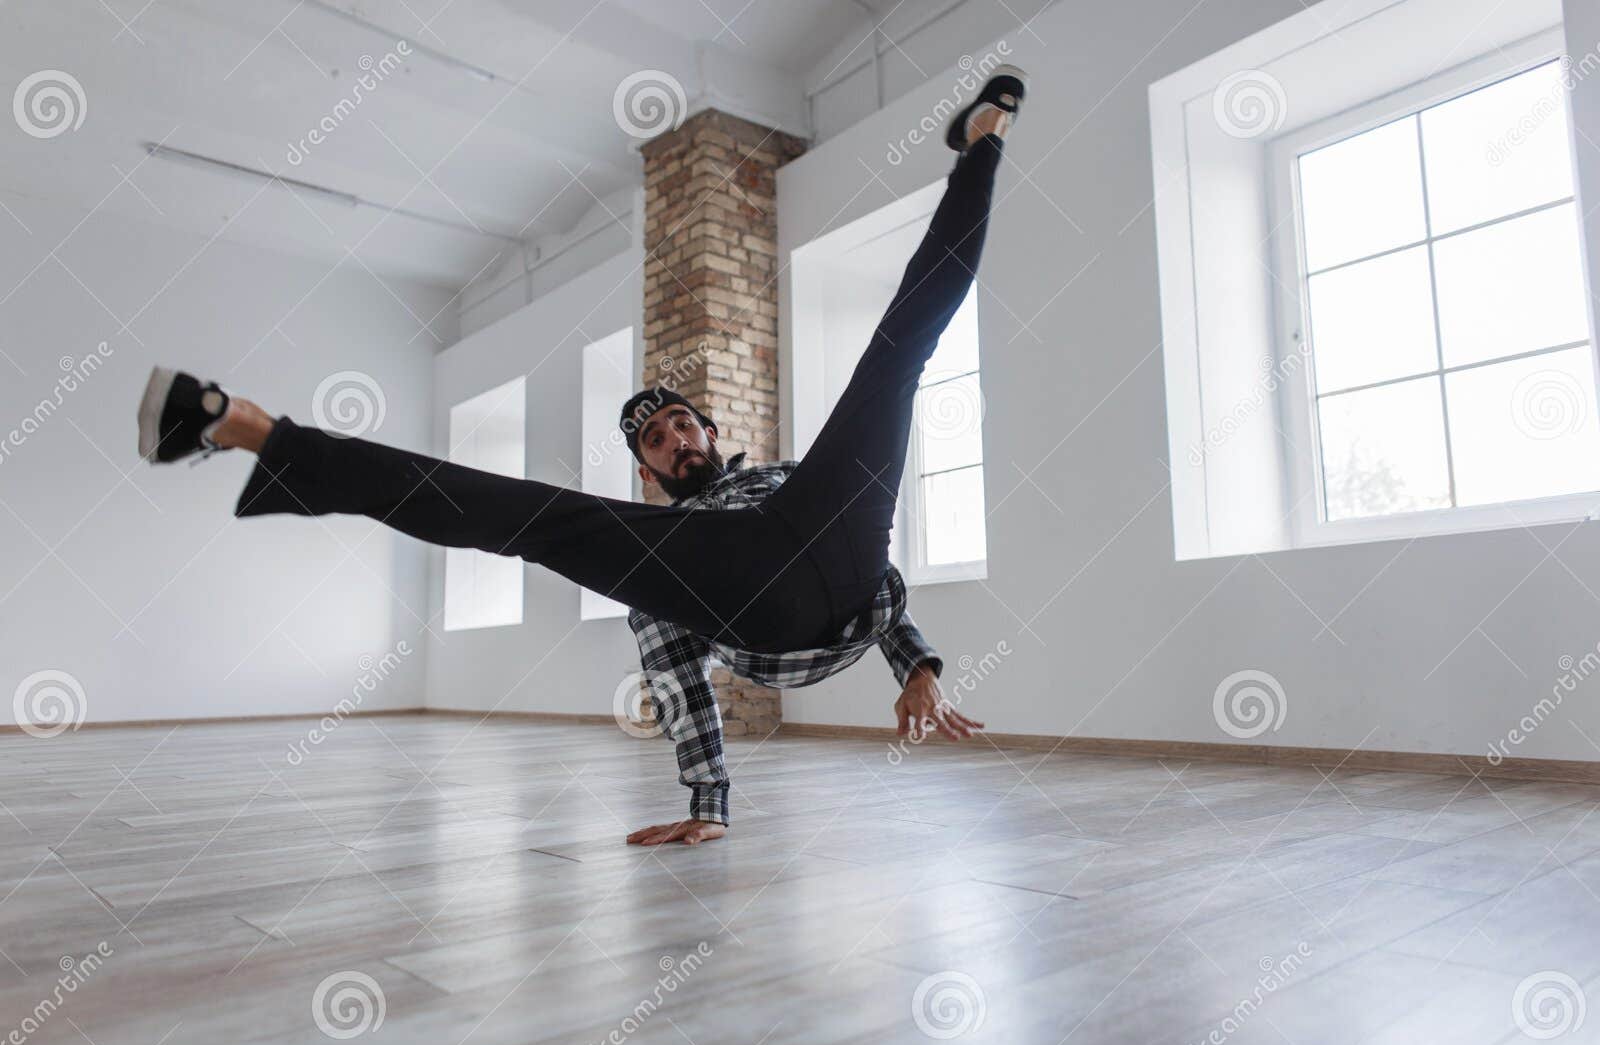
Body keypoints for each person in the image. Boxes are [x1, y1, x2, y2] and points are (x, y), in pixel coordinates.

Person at [135, 66, 1026, 847]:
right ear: (648, 473)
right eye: (656, 441)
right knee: (533, 517)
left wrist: (918, 666)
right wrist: (709, 801)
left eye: (681, 424)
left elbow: (875, 578)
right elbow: (679, 677)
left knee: (897, 354)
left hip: (826, 541)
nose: (675, 439)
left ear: (711, 433)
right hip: (752, 596)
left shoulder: (781, 474)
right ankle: (246, 427)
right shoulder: (667, 560)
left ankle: (981, 142)